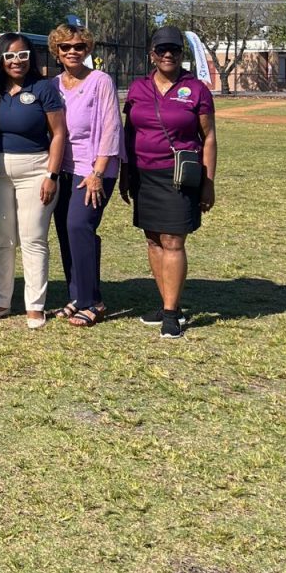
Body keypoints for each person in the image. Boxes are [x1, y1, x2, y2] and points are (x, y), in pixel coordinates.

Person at [119, 26, 216, 340]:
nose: (168, 54)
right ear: (152, 55)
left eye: (174, 49)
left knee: (173, 241)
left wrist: (209, 182)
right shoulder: (138, 88)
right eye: (162, 50)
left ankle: (172, 314)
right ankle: (165, 303)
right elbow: (128, 133)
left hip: (179, 176)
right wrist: (125, 174)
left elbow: (209, 137)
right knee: (153, 240)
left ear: (181, 53)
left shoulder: (196, 89)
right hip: (144, 175)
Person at [0, 33, 67, 329]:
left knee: (33, 238)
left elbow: (59, 134)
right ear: (0, 59)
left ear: (31, 57)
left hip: (36, 169)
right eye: (10, 56)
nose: (16, 61)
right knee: (0, 239)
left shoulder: (43, 89)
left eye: (22, 55)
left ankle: (35, 306)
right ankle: (1, 302)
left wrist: (51, 175)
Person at [49, 24, 124, 328]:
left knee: (79, 225)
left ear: (87, 49)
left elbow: (111, 127)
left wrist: (98, 172)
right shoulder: (52, 85)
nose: (72, 52)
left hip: (94, 169)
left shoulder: (100, 81)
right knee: (67, 233)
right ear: (57, 50)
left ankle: (93, 301)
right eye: (65, 47)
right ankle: (77, 296)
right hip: (62, 170)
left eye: (78, 46)